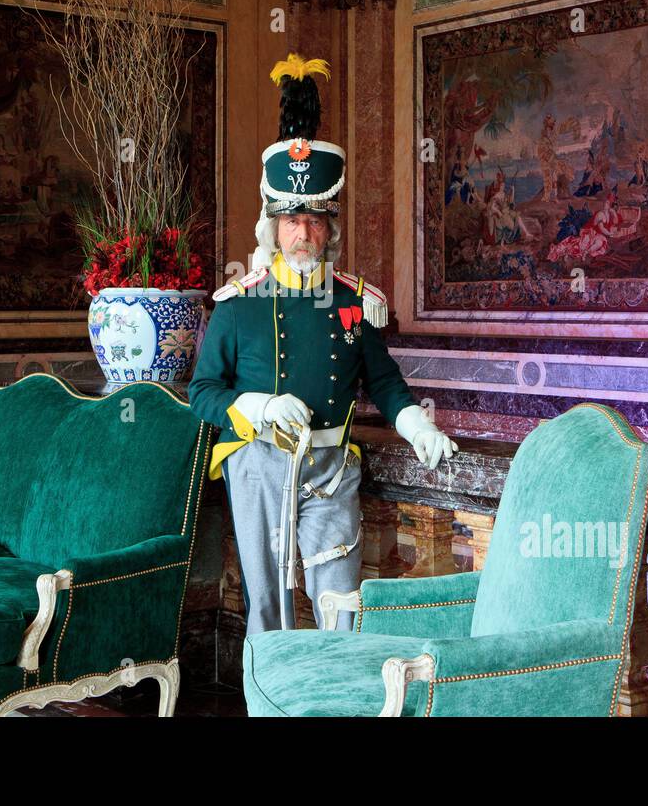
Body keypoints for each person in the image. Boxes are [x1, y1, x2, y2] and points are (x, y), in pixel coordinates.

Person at [189, 54, 458, 636]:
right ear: (272, 227)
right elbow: (202, 393)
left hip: (331, 467)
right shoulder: (239, 303)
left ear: (330, 227)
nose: (303, 232)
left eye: (314, 219)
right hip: (258, 465)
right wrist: (256, 408)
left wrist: (417, 427)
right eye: (291, 220)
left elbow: (383, 381)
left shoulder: (353, 301)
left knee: (341, 606)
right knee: (265, 610)